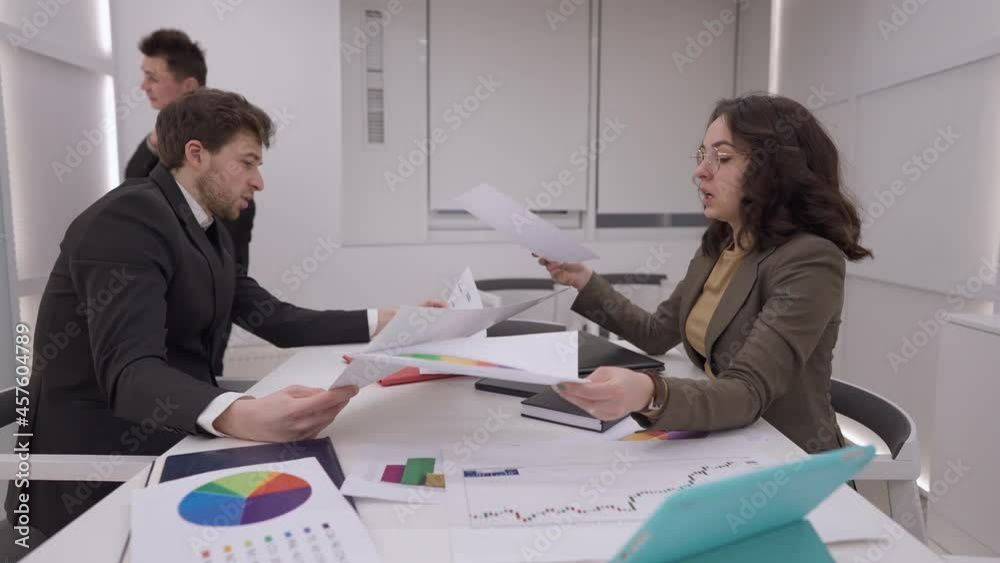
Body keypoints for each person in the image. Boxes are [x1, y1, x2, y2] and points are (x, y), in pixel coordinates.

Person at [9, 88, 444, 539]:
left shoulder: (205, 227)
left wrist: (383, 320)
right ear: (196, 154)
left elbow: (274, 318)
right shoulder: (127, 219)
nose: (258, 182)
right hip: (101, 468)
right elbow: (130, 373)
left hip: (171, 435)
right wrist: (239, 412)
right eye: (248, 162)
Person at [540, 94, 872, 454]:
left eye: (723, 158)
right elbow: (655, 333)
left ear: (775, 169)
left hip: (786, 455)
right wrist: (583, 279)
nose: (701, 171)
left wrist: (651, 394)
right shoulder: (721, 245)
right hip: (726, 439)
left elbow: (747, 391)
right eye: (703, 157)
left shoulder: (810, 260)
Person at [126, 28, 255, 271]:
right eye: (144, 76)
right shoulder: (160, 141)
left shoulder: (224, 143)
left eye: (153, 78)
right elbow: (132, 184)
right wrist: (154, 141)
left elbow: (229, 275)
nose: (143, 86)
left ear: (189, 86)